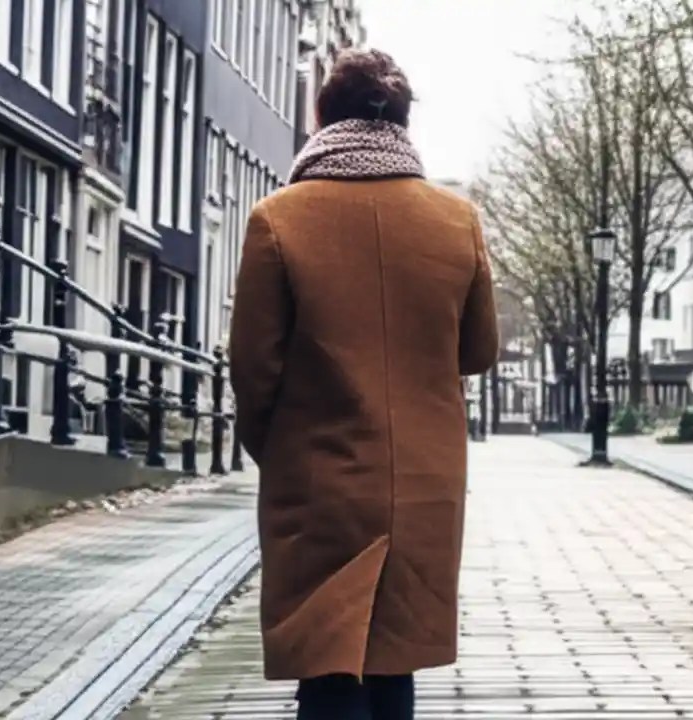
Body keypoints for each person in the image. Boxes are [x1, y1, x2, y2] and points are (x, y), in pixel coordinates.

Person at [228, 48, 500, 720]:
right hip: (424, 482)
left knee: (327, 657)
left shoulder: (278, 219)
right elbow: (478, 351)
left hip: (318, 476)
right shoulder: (457, 221)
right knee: (391, 659)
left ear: (322, 116)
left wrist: (278, 452)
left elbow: (252, 370)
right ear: (403, 122)